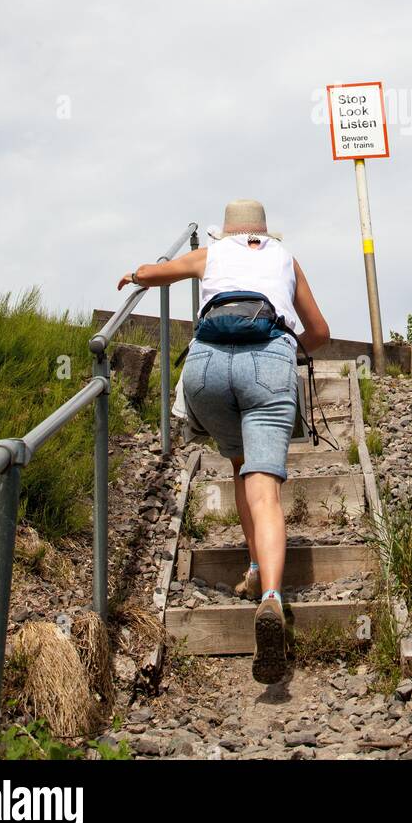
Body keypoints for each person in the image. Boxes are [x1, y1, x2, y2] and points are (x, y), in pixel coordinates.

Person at [117, 200, 330, 684]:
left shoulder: (210, 255)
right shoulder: (285, 258)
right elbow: (320, 332)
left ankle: (253, 568)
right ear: (265, 233)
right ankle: (272, 598)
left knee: (237, 463)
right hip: (269, 364)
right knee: (264, 487)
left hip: (206, 368)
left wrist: (134, 275)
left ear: (227, 231)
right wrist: (287, 348)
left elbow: (157, 272)